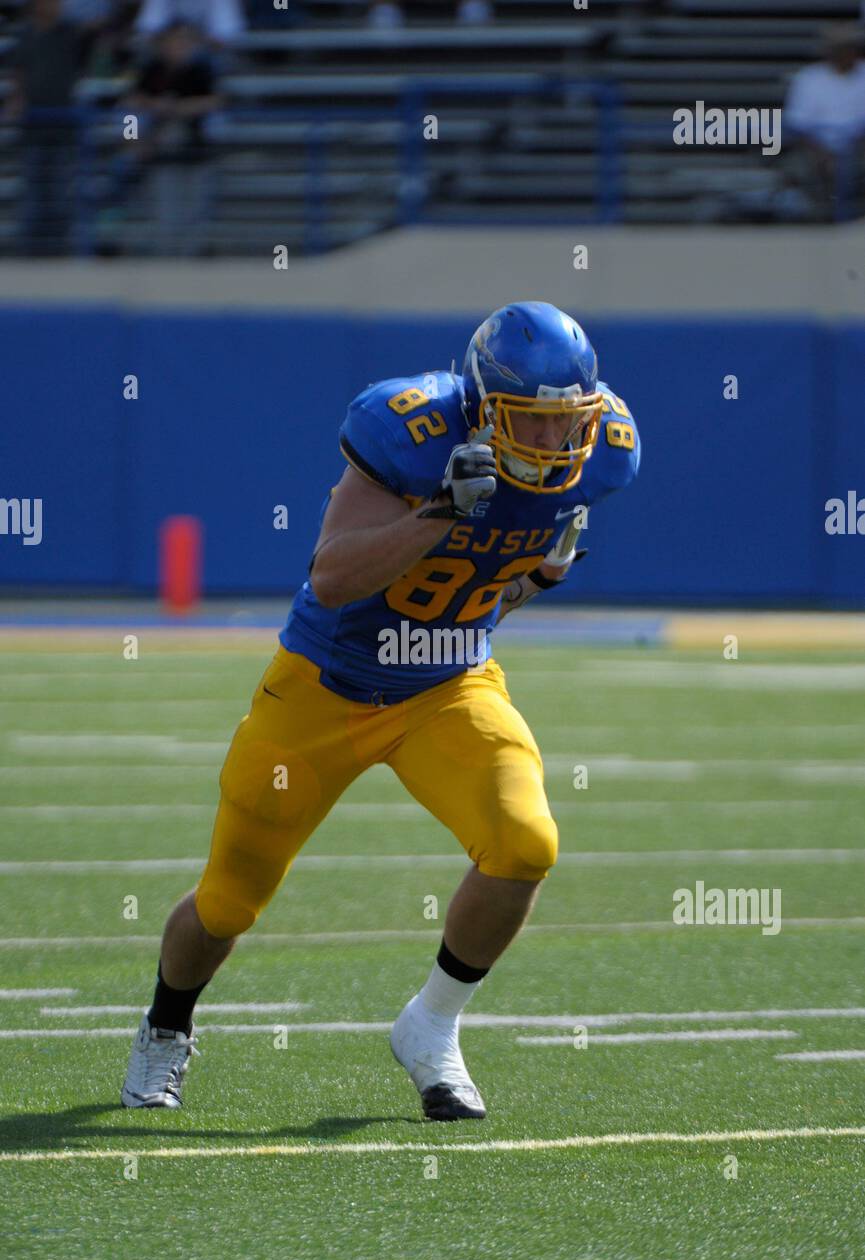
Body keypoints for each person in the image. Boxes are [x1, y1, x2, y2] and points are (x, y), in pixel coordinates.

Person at [121, 301, 641, 1122]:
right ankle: (165, 1025)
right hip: (323, 686)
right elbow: (331, 578)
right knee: (227, 903)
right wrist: (438, 513)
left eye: (564, 420)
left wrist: (533, 581)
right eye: (529, 419)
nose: (551, 440)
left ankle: (431, 1027)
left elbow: (495, 594)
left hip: (448, 686)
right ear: (482, 406)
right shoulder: (409, 431)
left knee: (524, 843)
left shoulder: (605, 451)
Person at [4, 0, 88, 255]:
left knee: (60, 188)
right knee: (33, 189)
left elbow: (91, 54)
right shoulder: (25, 34)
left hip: (62, 124)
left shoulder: (70, 33)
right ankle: (32, 248)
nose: (57, 5)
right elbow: (18, 72)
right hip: (33, 125)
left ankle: (57, 247)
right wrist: (16, 99)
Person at [128, 20, 220, 255]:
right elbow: (131, 105)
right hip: (160, 153)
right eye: (173, 41)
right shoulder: (152, 71)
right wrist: (137, 135)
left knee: (195, 209)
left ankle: (191, 255)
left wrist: (178, 108)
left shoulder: (200, 71)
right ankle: (166, 255)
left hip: (195, 151)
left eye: (183, 42)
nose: (178, 46)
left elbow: (214, 101)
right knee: (164, 209)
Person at [784, 23, 865, 221]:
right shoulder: (809, 78)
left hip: (858, 143)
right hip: (817, 145)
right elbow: (798, 124)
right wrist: (821, 151)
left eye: (848, 48)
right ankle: (820, 215)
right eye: (838, 49)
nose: (844, 54)